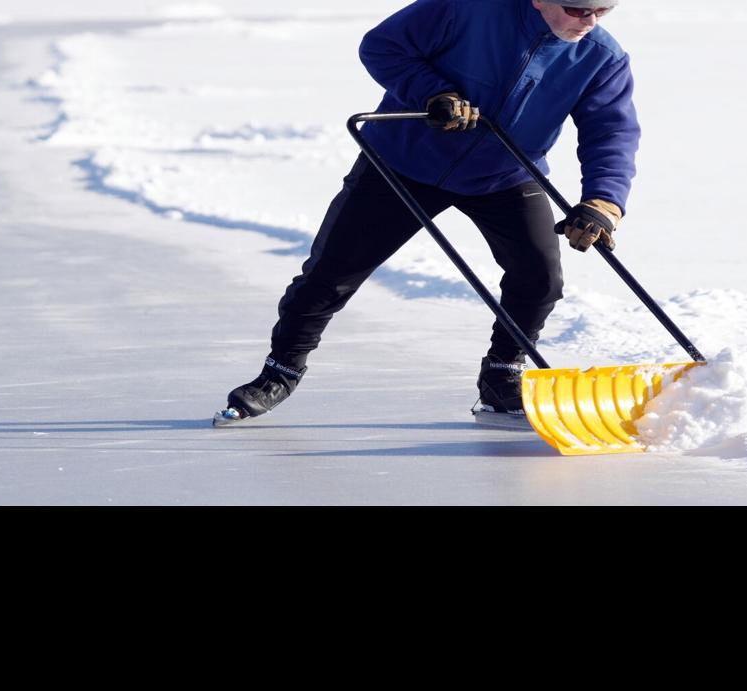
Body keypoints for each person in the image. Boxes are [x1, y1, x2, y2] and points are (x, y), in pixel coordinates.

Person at [214, 0, 640, 427]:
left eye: (603, 11)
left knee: (540, 279)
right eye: (578, 9)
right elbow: (382, 46)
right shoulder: (467, 9)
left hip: (502, 173)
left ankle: (502, 376)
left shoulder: (602, 58)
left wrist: (603, 201)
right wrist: (434, 93)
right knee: (332, 274)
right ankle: (281, 371)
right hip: (404, 162)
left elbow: (612, 131)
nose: (589, 22)